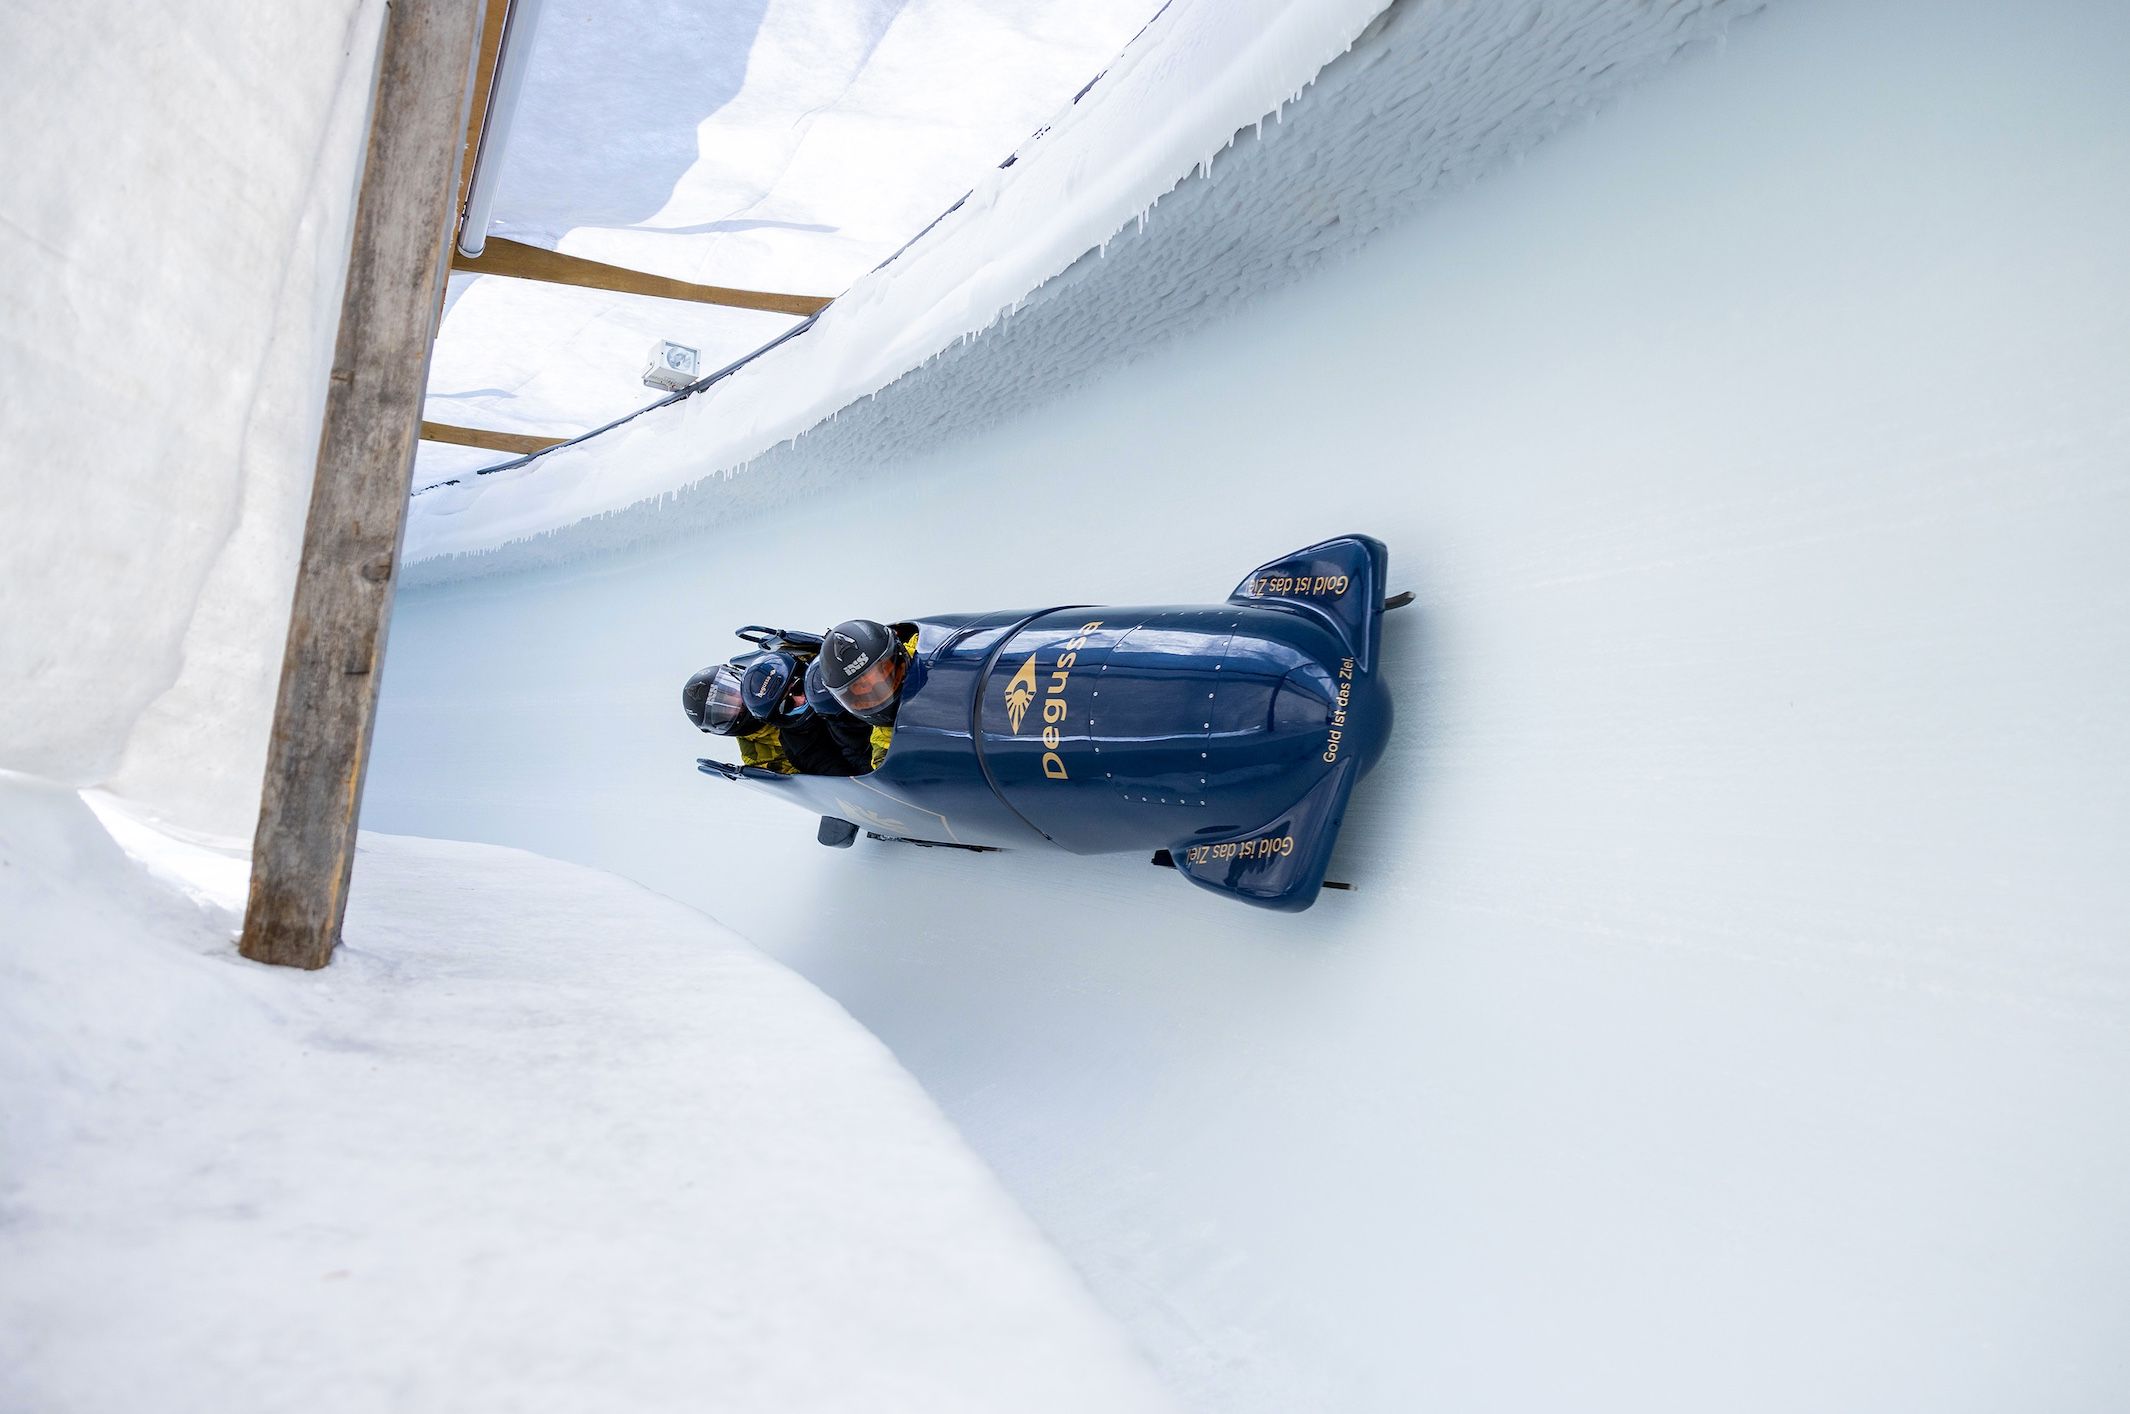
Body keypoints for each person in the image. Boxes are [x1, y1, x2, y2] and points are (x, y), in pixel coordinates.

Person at [682, 650, 864, 776]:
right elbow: (808, 781)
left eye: (732, 692)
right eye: (726, 710)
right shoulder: (759, 755)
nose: (739, 704)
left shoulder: (768, 673)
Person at [814, 618, 920, 770]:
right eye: (863, 688)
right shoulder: (885, 752)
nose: (878, 690)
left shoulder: (930, 647)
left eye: (883, 672)